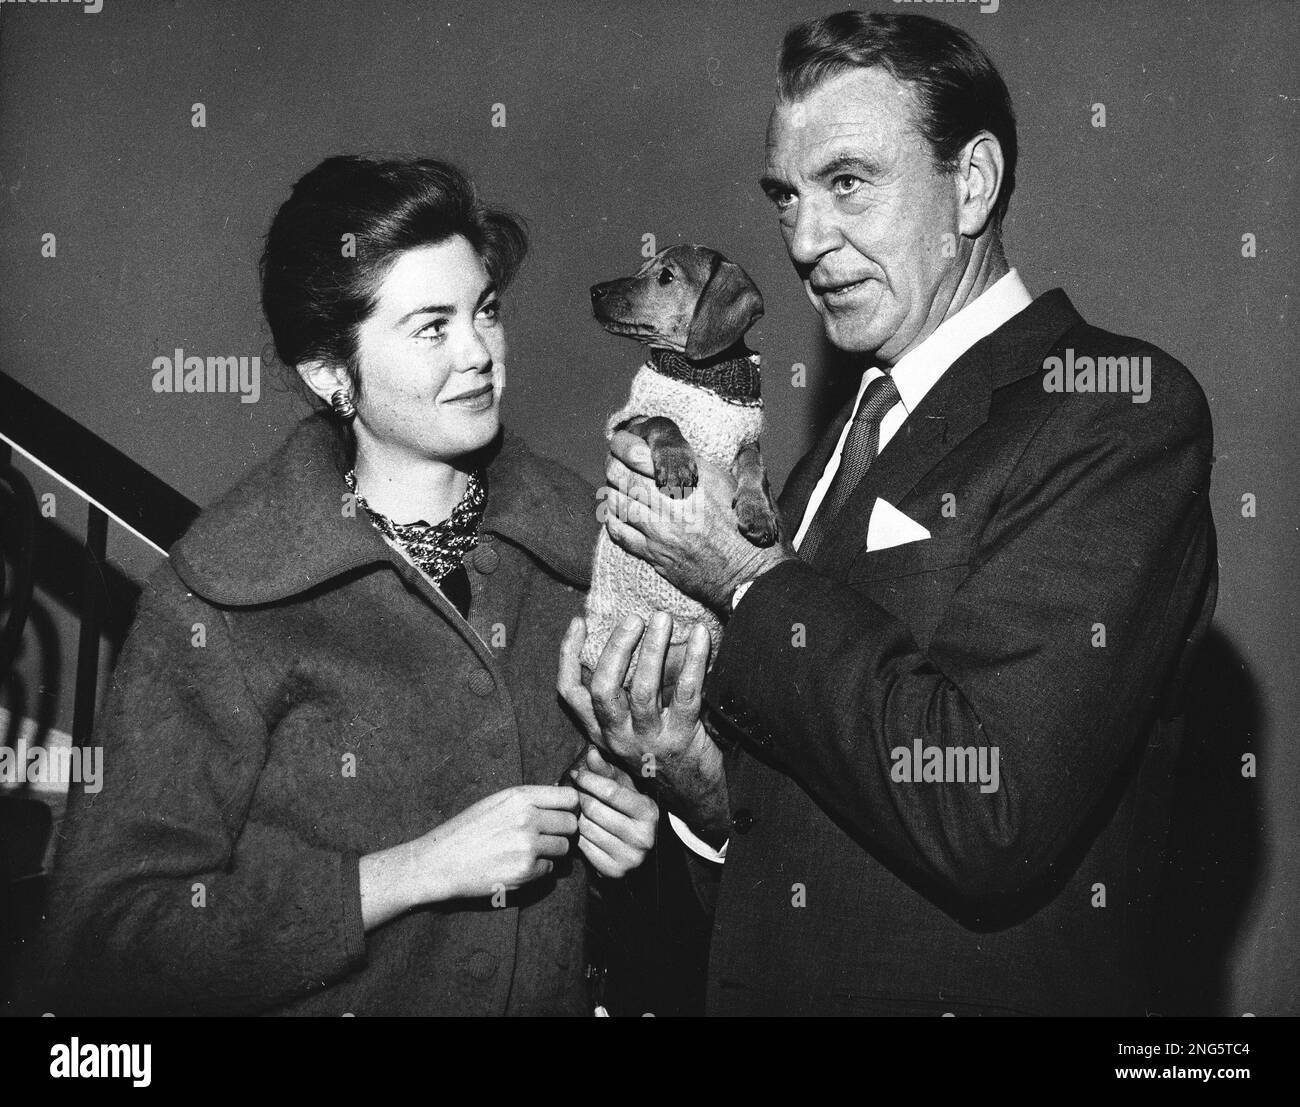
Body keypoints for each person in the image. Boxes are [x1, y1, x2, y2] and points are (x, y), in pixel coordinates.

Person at [561, 11, 1217, 1016]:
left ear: (971, 183)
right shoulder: (831, 454)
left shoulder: (1113, 409)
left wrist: (744, 581)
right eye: (786, 195)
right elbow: (812, 815)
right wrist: (690, 776)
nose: (806, 241)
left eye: (848, 184)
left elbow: (987, 803)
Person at [24, 155, 657, 1016]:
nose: (479, 353)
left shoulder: (588, 546)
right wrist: (406, 873)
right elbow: (104, 942)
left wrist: (631, 847)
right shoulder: (222, 597)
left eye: (486, 310)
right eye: (431, 326)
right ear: (331, 372)